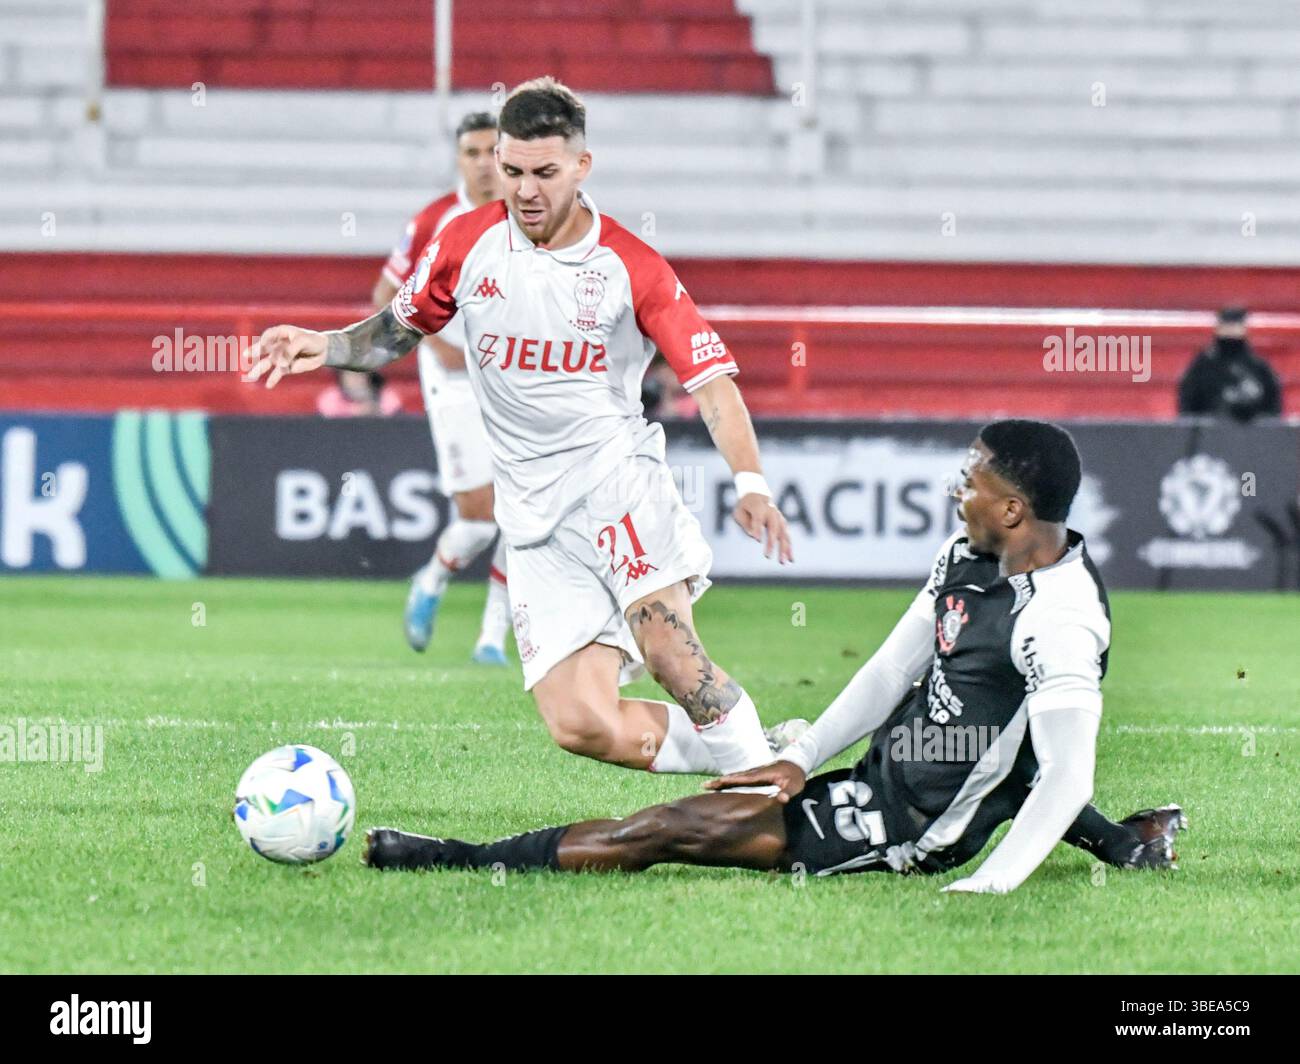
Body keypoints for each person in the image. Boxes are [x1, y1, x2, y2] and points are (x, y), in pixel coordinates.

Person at [361, 420, 1187, 895]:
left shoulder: (1063, 619)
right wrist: (796, 758)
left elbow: (1065, 771)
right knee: (977, 741)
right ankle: (1127, 844)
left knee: (671, 830)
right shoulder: (966, 557)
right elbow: (892, 673)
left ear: (1012, 506)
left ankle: (455, 857)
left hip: (906, 825)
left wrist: (989, 885)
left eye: (969, 479)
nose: (954, 489)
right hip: (888, 767)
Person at [246, 77, 797, 780]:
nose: (525, 190)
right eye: (511, 172)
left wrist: (750, 482)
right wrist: (324, 345)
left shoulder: (631, 265)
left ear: (581, 167)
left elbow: (712, 383)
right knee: (582, 724)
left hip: (617, 487)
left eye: (544, 172)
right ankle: (766, 753)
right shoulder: (464, 244)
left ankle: (772, 806)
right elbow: (397, 332)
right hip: (533, 515)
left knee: (670, 655)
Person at [372, 111, 510, 663]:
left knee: (525, 511)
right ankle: (431, 580)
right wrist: (432, 339)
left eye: (490, 152)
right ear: (458, 159)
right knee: (479, 518)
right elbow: (386, 292)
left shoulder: (523, 215)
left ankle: (491, 640)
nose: (482, 163)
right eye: (471, 153)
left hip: (515, 380)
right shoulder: (435, 219)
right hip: (453, 383)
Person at [1177, 305, 1283, 422]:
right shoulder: (1202, 367)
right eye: (1227, 325)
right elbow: (1187, 409)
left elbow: (1273, 412)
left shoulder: (1258, 367)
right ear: (1218, 328)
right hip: (1211, 436)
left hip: (1251, 437)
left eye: (1235, 325)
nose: (1231, 329)